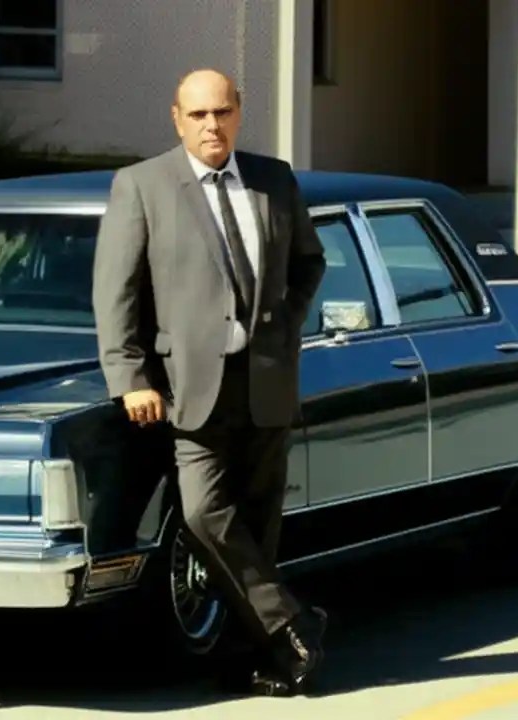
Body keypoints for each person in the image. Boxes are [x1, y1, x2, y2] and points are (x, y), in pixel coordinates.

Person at [91, 68, 329, 696]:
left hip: (268, 383)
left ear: (238, 113)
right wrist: (130, 374)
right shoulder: (142, 185)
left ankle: (273, 660)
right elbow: (116, 291)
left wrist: (282, 326)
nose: (211, 126)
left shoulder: (274, 179)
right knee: (203, 516)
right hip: (187, 387)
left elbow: (310, 260)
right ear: (177, 118)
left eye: (221, 112)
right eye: (198, 115)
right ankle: (296, 625)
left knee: (258, 526)